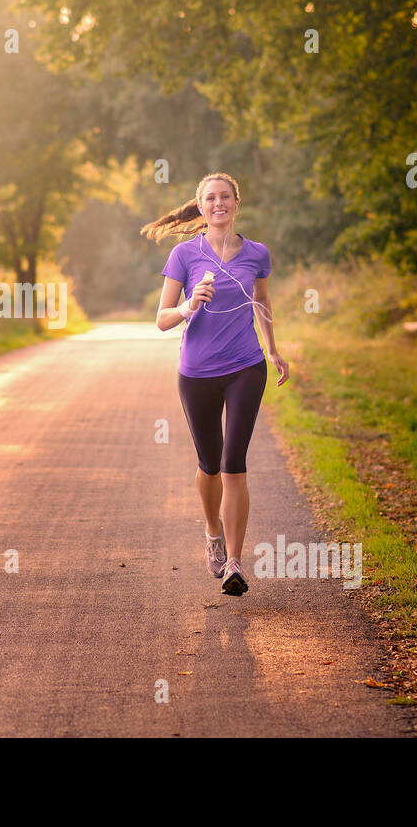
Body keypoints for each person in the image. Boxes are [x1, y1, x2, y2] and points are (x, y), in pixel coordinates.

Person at [142, 173, 289, 595]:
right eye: (211, 198)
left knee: (233, 464)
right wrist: (190, 305)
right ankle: (213, 533)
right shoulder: (184, 255)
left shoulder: (257, 253)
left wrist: (273, 350)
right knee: (209, 466)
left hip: (246, 366)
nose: (218, 203)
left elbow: (261, 302)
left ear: (235, 203)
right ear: (201, 206)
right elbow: (161, 319)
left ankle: (236, 564)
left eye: (225, 197)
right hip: (197, 373)